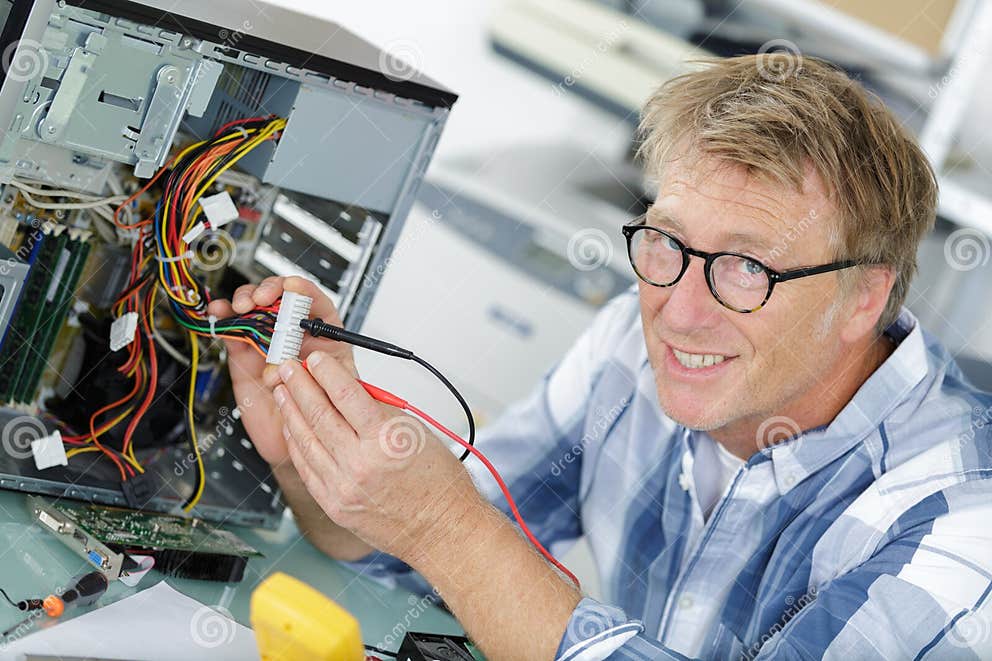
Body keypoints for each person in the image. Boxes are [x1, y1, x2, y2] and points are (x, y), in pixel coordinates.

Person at [208, 54, 992, 660]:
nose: (679, 312)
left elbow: (449, 535)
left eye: (748, 267)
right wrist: (310, 443)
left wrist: (443, 525)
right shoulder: (629, 345)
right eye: (668, 242)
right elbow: (404, 561)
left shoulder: (958, 523)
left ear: (864, 298)